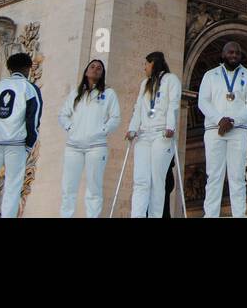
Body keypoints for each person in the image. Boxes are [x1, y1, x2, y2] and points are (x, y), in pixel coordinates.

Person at [199, 41, 247, 218]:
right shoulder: (210, 75)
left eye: (237, 53)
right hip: (214, 129)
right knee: (214, 176)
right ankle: (210, 215)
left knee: (238, 176)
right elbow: (203, 101)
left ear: (241, 56)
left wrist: (233, 120)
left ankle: (239, 215)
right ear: (223, 54)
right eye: (230, 52)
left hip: (238, 130)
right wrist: (220, 120)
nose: (234, 55)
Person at [0, 52, 41, 218]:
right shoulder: (29, 88)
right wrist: (29, 144)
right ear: (28, 68)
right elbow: (33, 118)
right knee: (12, 187)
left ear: (9, 68)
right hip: (16, 144)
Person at [58, 58, 120, 218]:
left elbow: (115, 118)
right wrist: (71, 128)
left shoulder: (108, 93)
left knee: (94, 188)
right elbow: (63, 115)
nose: (95, 69)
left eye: (99, 68)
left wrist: (102, 131)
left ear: (103, 73)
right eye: (92, 67)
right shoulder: (75, 94)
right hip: (73, 147)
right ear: (86, 71)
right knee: (68, 188)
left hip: (96, 147)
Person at [125, 51, 181, 218]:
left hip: (161, 134)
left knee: (157, 181)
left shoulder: (172, 80)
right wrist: (132, 128)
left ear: (153, 63)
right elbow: (138, 108)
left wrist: (171, 126)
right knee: (141, 180)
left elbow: (174, 104)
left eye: (146, 64)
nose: (144, 68)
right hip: (144, 135)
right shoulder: (145, 84)